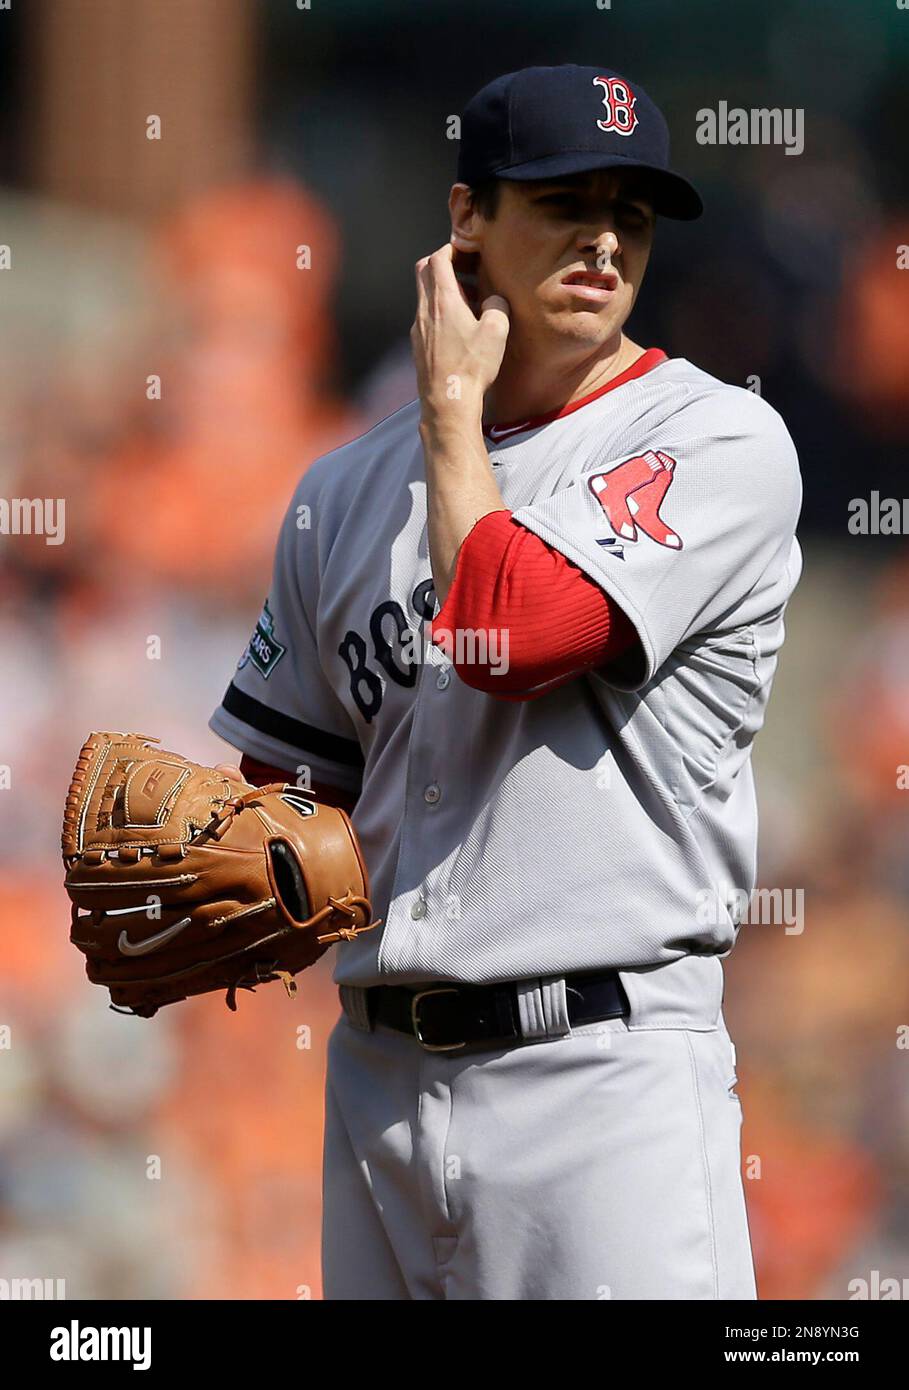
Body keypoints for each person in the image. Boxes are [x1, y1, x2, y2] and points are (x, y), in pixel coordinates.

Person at [210, 63, 802, 1300]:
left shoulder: (715, 440)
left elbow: (504, 634)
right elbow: (292, 784)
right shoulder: (337, 495)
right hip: (375, 1088)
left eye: (630, 213)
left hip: (601, 1085)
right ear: (466, 216)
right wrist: (239, 870)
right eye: (561, 200)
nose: (603, 239)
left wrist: (445, 411)